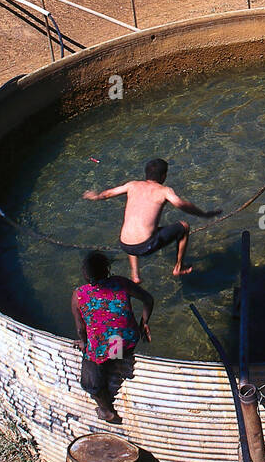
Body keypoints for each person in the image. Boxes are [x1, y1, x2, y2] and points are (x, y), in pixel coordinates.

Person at [82, 158, 221, 283]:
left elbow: (108, 193)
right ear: (164, 176)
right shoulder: (164, 190)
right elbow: (181, 204)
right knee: (183, 227)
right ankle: (178, 267)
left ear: (146, 174)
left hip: (124, 244)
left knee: (133, 226)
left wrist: (95, 196)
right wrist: (204, 214)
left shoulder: (132, 185)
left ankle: (135, 275)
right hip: (144, 246)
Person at [71, 251, 154, 423]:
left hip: (105, 346)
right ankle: (115, 360)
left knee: (89, 383)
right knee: (112, 340)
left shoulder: (79, 294)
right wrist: (144, 323)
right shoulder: (120, 282)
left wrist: (84, 344)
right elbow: (148, 299)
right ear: (107, 270)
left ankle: (107, 411)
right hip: (127, 341)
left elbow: (81, 330)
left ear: (85, 274)